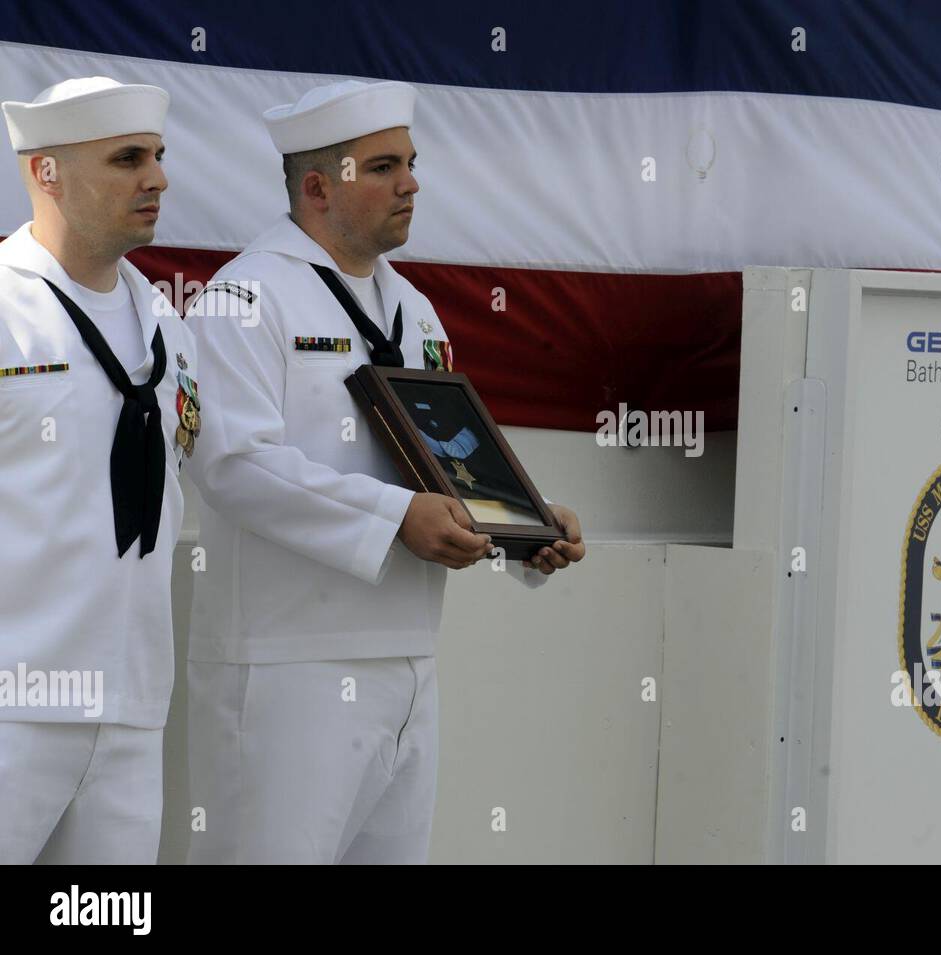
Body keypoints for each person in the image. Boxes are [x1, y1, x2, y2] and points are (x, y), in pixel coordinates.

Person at [184, 79, 585, 864]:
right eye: (383, 166)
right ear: (316, 186)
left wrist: (523, 527)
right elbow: (232, 462)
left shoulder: (416, 311)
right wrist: (394, 519)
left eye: (411, 162)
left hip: (408, 661)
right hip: (287, 667)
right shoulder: (244, 298)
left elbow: (446, 464)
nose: (411, 183)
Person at [0, 76, 198, 863]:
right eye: (127, 158)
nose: (157, 177)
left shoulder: (167, 325)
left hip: (131, 711)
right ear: (46, 173)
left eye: (157, 155)